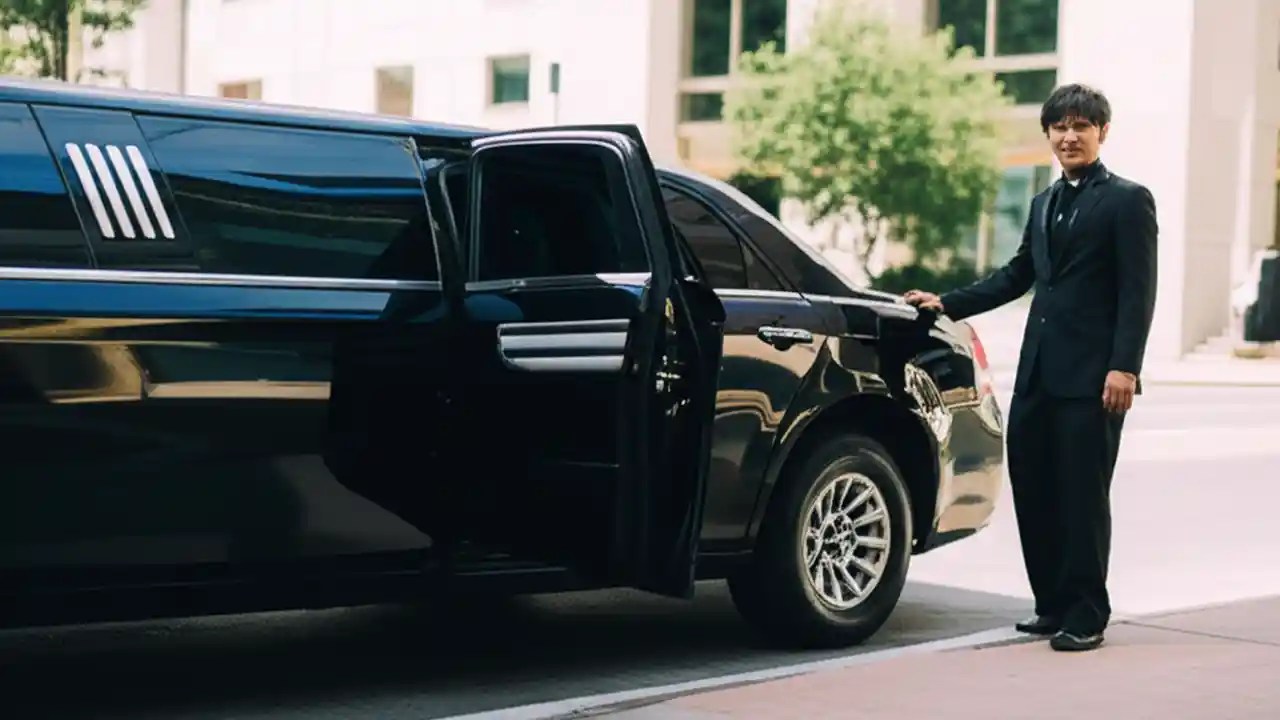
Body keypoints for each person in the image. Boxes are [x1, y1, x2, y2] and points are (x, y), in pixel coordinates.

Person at [903, 83, 1158, 652]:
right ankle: (1051, 605)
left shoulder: (1127, 200)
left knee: (1081, 497)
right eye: (1060, 127)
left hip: (1093, 381)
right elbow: (1018, 274)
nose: (1069, 136)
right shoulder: (1044, 203)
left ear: (1102, 133)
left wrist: (1125, 368)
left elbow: (1139, 293)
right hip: (1040, 374)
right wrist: (948, 301)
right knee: (1036, 489)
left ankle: (1087, 611)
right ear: (1047, 134)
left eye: (1081, 127)